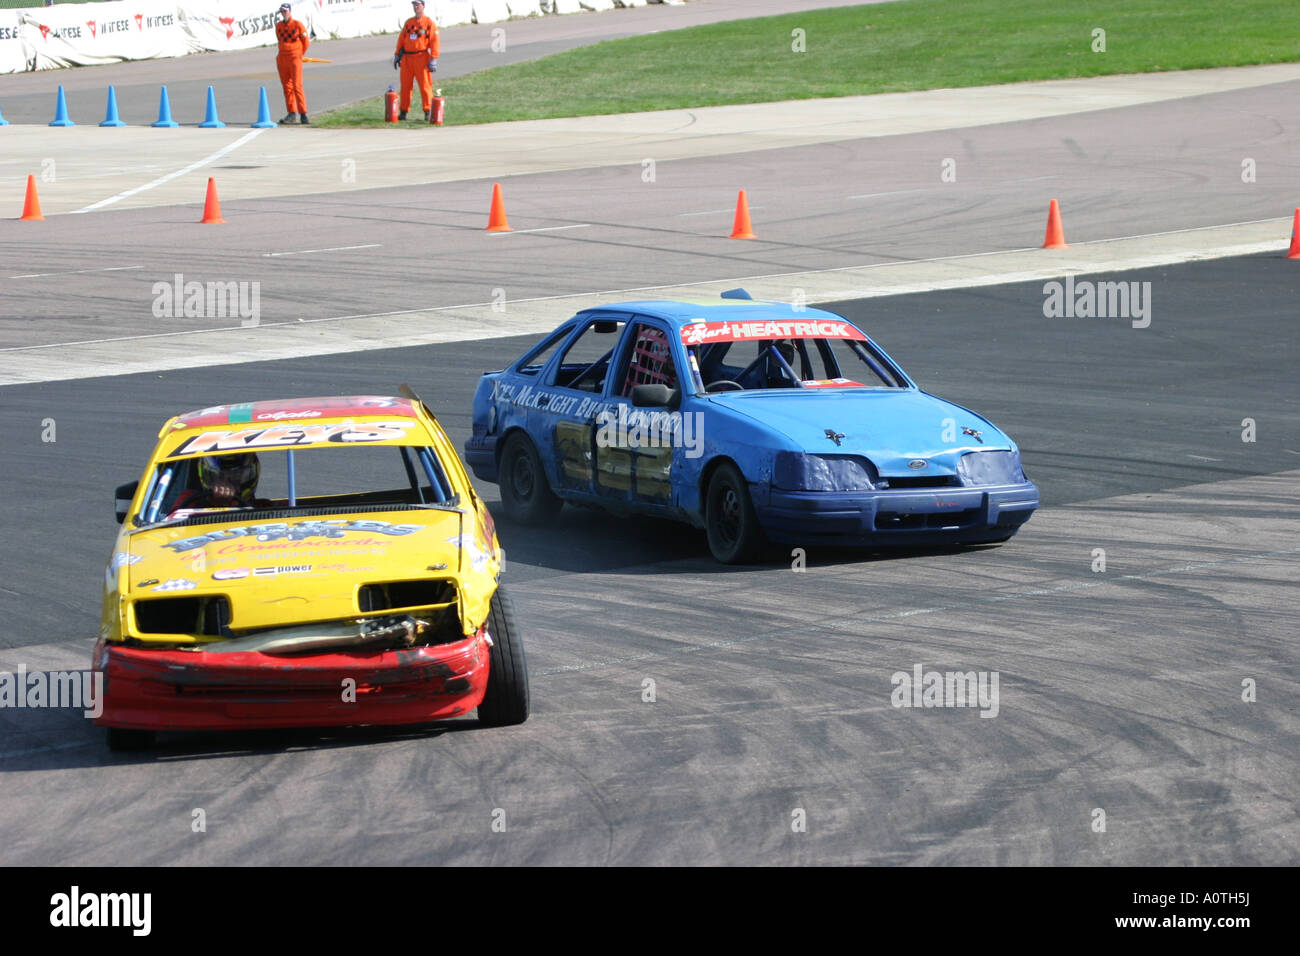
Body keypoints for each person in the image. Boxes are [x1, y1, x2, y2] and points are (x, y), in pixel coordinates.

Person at [169, 454, 269, 515]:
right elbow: (171, 530)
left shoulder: (265, 508)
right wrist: (211, 504)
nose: (227, 486)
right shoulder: (189, 501)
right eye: (219, 477)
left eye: (236, 476)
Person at [392, 0, 439, 121]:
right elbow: (401, 39)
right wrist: (397, 54)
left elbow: (435, 42)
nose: (415, 7)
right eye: (414, 5)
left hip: (421, 58)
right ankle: (403, 112)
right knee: (406, 86)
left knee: (425, 86)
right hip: (407, 58)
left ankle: (428, 111)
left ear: (423, 6)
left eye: (417, 5)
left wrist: (433, 58)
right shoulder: (409, 23)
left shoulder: (429, 23)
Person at [275, 2, 311, 125]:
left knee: (297, 86)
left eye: (285, 11)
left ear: (290, 11)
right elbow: (279, 40)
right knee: (287, 87)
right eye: (282, 11)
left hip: (295, 58)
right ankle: (291, 113)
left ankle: (303, 114)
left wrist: (299, 54)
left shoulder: (297, 25)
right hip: (282, 58)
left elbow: (306, 41)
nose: (284, 13)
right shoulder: (278, 26)